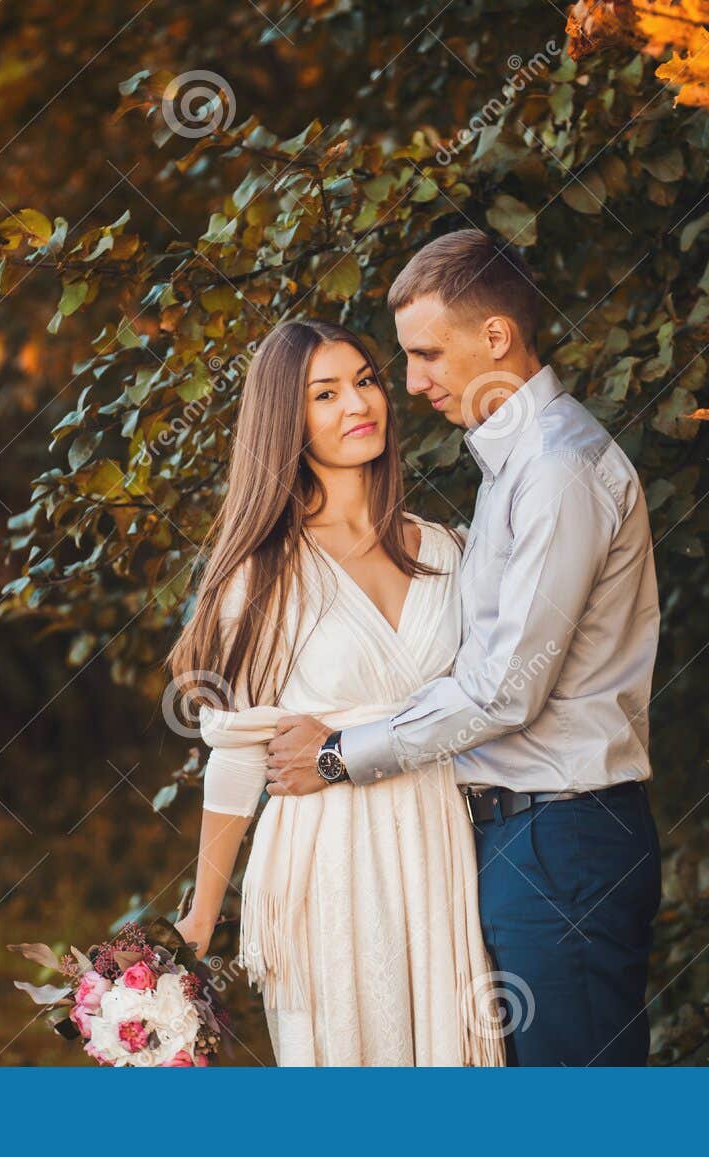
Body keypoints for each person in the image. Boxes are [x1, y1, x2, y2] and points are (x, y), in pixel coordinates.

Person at [263, 229, 663, 1066]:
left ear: (495, 338)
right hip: (518, 840)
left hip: (563, 836)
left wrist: (339, 755)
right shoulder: (513, 469)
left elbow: (503, 689)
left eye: (424, 356)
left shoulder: (557, 470)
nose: (411, 384)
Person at [168, 318, 505, 1066]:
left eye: (365, 380)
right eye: (326, 393)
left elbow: (494, 702)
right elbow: (236, 754)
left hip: (442, 844)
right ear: (287, 420)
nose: (359, 402)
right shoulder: (261, 575)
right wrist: (200, 915)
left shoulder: (447, 550)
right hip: (328, 858)